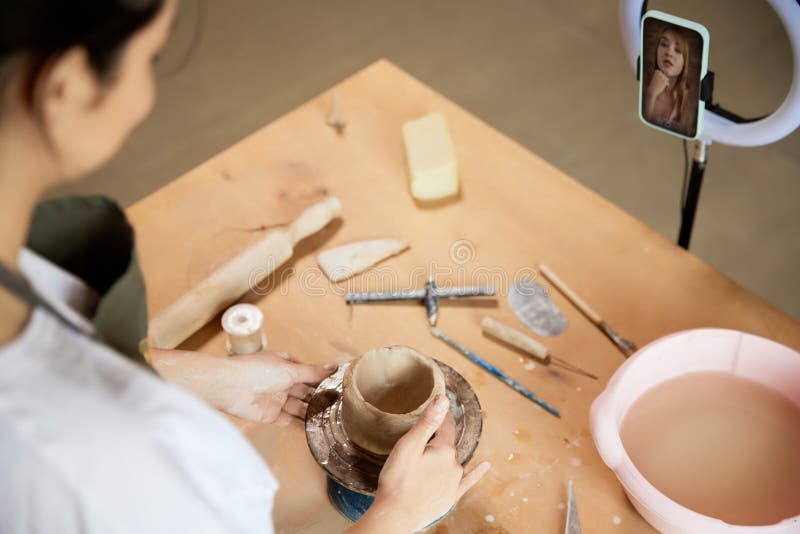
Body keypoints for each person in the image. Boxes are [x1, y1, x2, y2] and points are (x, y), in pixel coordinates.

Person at [0, 1, 490, 533]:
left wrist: (189, 375)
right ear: (66, 86)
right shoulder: (105, 470)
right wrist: (397, 516)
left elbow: (52, 355)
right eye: (152, 56)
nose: (148, 92)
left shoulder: (18, 268)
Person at [643, 25, 690, 133]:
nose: (669, 53)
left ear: (684, 63)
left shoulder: (686, 99)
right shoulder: (644, 85)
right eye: (664, 44)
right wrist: (650, 94)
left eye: (677, 50)